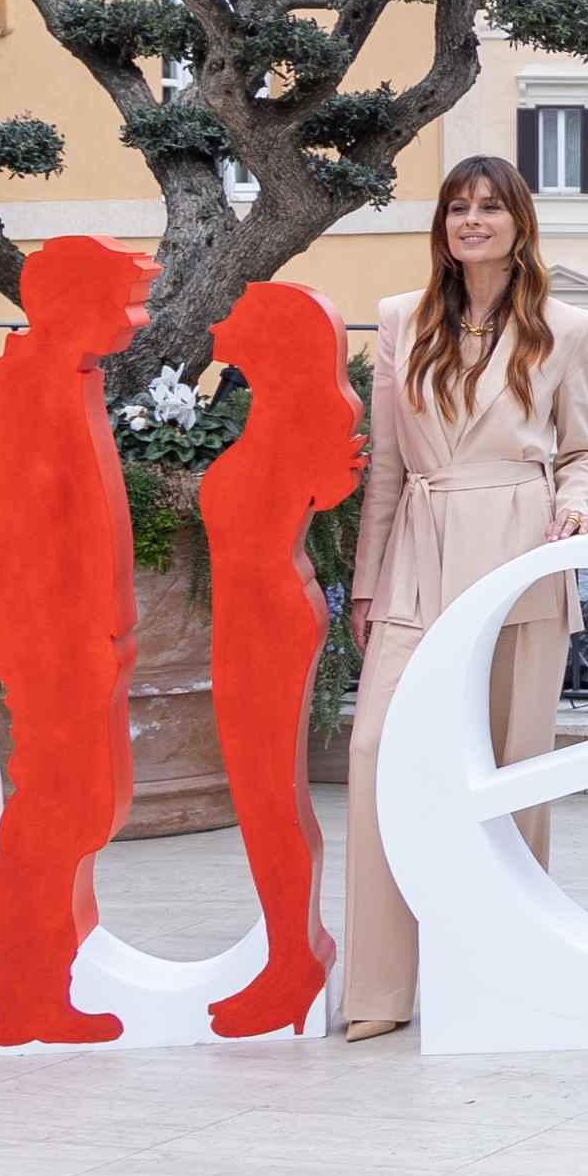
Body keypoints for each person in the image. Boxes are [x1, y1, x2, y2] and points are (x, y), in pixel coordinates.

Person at [343, 156, 588, 1041]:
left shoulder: (567, 328)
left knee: (509, 772)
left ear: (518, 221)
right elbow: (383, 465)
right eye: (457, 207)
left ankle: (508, 968)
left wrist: (574, 508)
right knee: (378, 750)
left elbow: (580, 452)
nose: (472, 220)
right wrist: (368, 581)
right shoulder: (398, 321)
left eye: (490, 206)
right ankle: (378, 990)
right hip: (421, 545)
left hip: (522, 555)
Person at [0, 235, 148, 1048]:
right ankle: (27, 993)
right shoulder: (15, 387)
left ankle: (58, 978)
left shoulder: (75, 380)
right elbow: (7, 538)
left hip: (87, 635)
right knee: (54, 805)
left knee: (88, 806)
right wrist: (69, 635)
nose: (135, 320)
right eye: (123, 300)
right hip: (49, 637)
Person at [197, 280, 360, 1042]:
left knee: (268, 800)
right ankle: (292, 952)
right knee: (272, 797)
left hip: (263, 621)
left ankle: (290, 965)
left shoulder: (279, 431)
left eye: (238, 314)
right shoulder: (275, 420)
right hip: (262, 615)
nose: (217, 321)